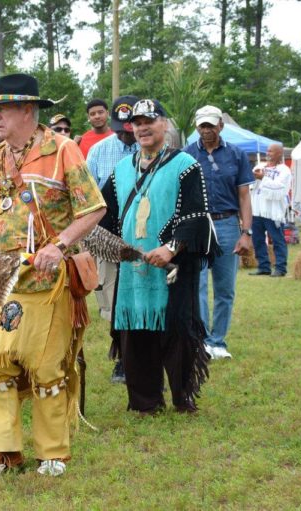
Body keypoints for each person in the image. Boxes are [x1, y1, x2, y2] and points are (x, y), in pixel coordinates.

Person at [0, 74, 106, 479]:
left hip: (49, 280)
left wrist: (59, 245)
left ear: (27, 110)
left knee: (45, 367)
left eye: (1, 110)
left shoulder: (62, 149)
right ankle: (4, 453)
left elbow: (94, 208)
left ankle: (52, 453)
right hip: (5, 281)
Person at [100, 99, 216, 416]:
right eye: (137, 122)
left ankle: (182, 397)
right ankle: (144, 401)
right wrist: (114, 247)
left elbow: (197, 214)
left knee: (177, 331)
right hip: (133, 267)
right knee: (135, 332)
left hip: (173, 266)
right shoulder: (121, 171)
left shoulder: (185, 165)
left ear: (164, 124)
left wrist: (171, 247)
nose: (142, 127)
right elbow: (103, 217)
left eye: (149, 120)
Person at [184, 105, 254, 360]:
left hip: (227, 223)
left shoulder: (236, 154)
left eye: (211, 125)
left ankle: (218, 341)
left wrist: (246, 232)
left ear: (220, 126)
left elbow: (244, 197)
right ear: (197, 127)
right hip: (199, 225)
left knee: (225, 287)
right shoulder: (187, 154)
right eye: (202, 125)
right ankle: (201, 341)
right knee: (198, 284)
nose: (206, 130)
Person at [87, 95, 140, 383]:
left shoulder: (155, 152)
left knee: (142, 297)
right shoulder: (98, 152)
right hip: (108, 238)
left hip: (144, 238)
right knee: (112, 299)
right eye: (121, 128)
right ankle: (122, 358)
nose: (126, 134)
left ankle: (146, 356)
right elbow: (87, 198)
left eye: (130, 127)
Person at [250, 143, 292, 278]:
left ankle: (280, 268)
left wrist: (263, 178)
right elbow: (250, 185)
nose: (268, 153)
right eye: (267, 151)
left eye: (271, 151)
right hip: (257, 210)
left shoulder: (284, 170)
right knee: (257, 240)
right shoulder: (260, 166)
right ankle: (263, 266)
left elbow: (280, 189)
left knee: (277, 240)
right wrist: (254, 177)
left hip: (273, 212)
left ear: (280, 153)